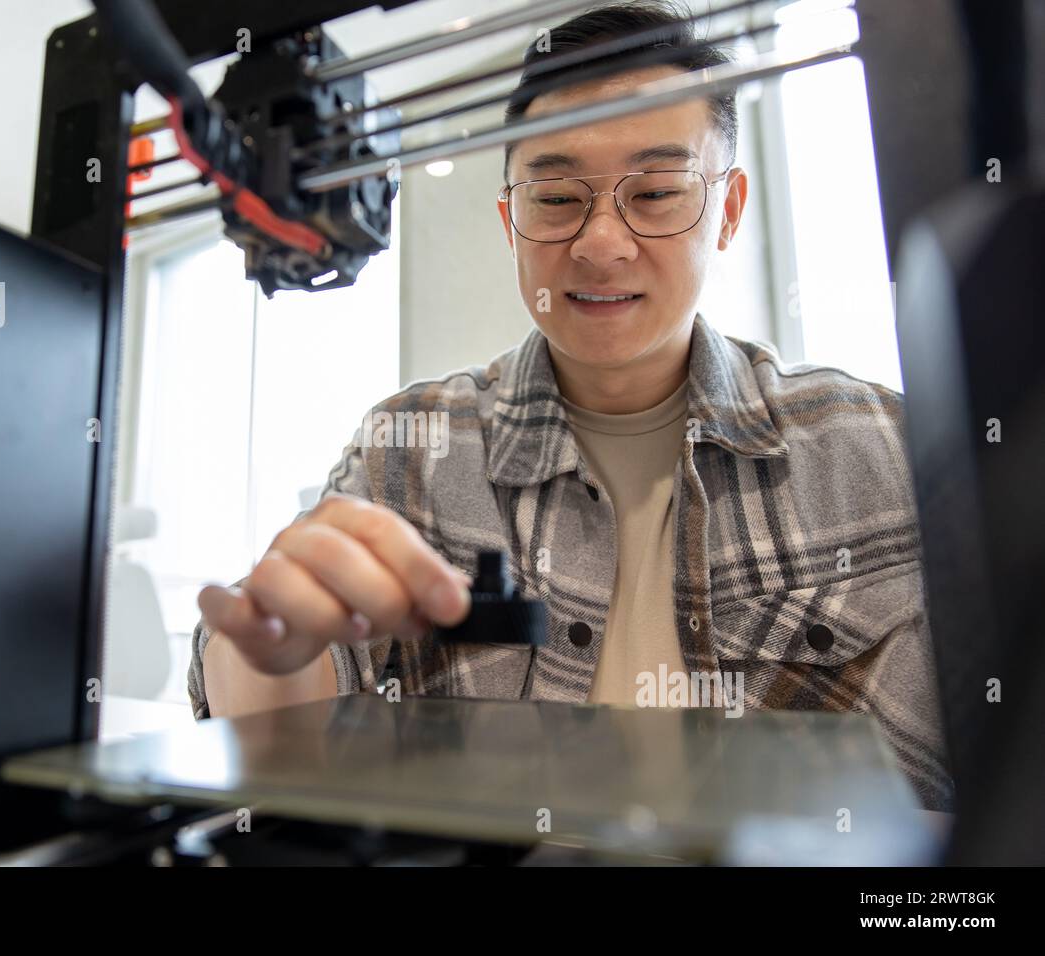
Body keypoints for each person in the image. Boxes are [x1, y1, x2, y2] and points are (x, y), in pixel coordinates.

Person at [187, 0, 953, 812]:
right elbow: (274, 715)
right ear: (511, 222)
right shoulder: (409, 449)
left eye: (655, 192)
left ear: (727, 211)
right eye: (555, 198)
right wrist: (269, 655)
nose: (601, 243)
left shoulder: (889, 450)